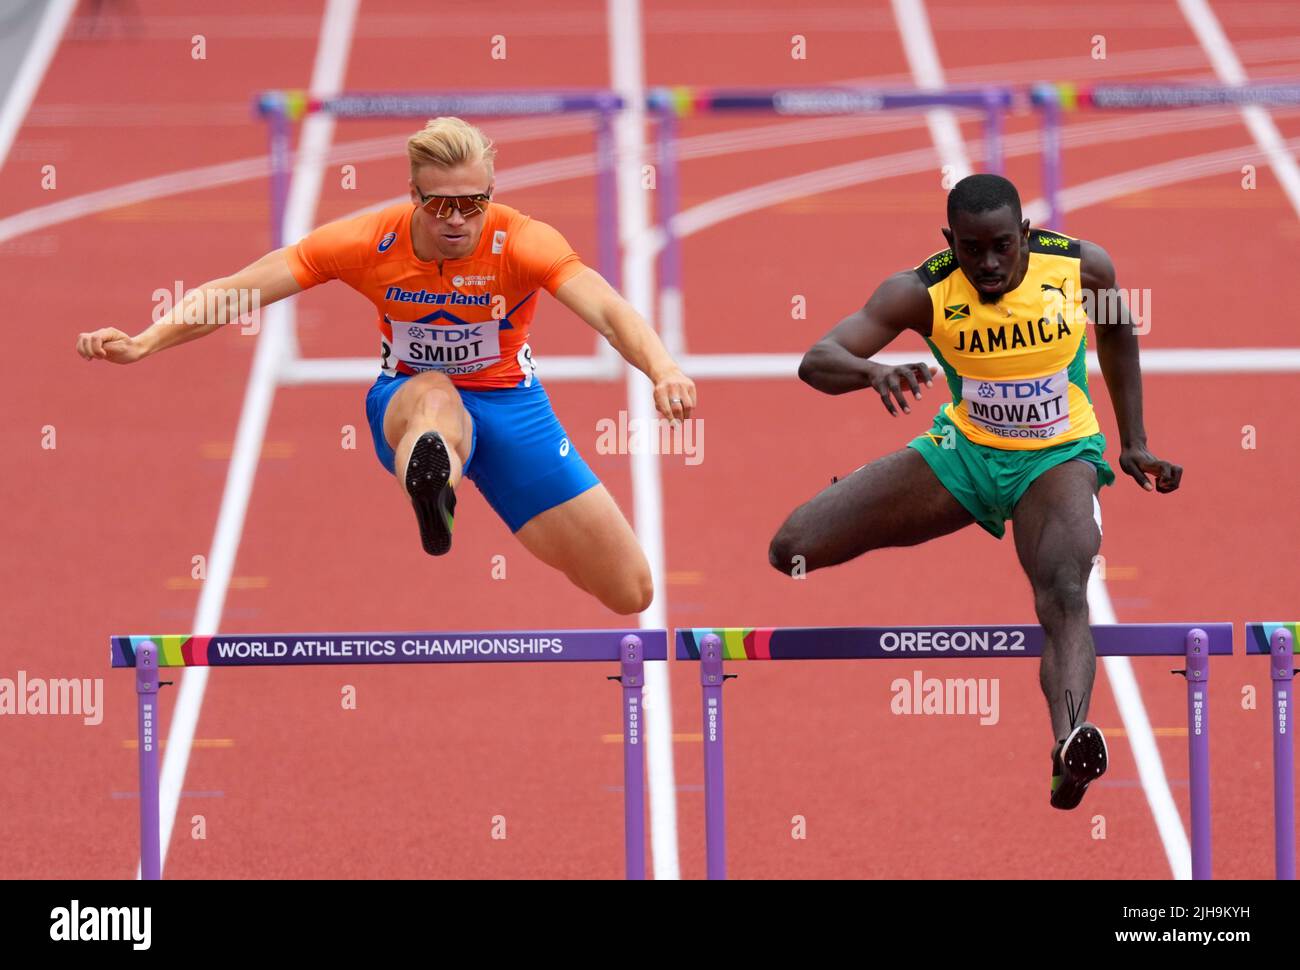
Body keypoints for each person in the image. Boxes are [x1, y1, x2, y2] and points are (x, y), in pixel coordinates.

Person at [76, 116, 696, 615]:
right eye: (441, 204)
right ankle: (434, 484)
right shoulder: (363, 242)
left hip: (513, 406)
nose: (457, 219)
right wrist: (145, 341)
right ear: (414, 195)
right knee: (434, 395)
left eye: (473, 203)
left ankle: (445, 477)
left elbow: (611, 312)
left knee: (630, 591)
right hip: (408, 401)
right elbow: (238, 290)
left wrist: (662, 368)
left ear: (491, 195)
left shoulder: (526, 242)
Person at [769, 173, 1182, 809]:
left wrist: (1133, 441)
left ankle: (1069, 744)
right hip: (964, 454)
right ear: (949, 241)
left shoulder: (1081, 268)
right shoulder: (922, 291)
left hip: (1058, 457)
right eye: (970, 249)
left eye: (1000, 247)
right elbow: (817, 359)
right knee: (793, 547)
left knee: (1065, 591)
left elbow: (1119, 333)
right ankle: (858, 493)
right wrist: (871, 371)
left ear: (1024, 234)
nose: (987, 263)